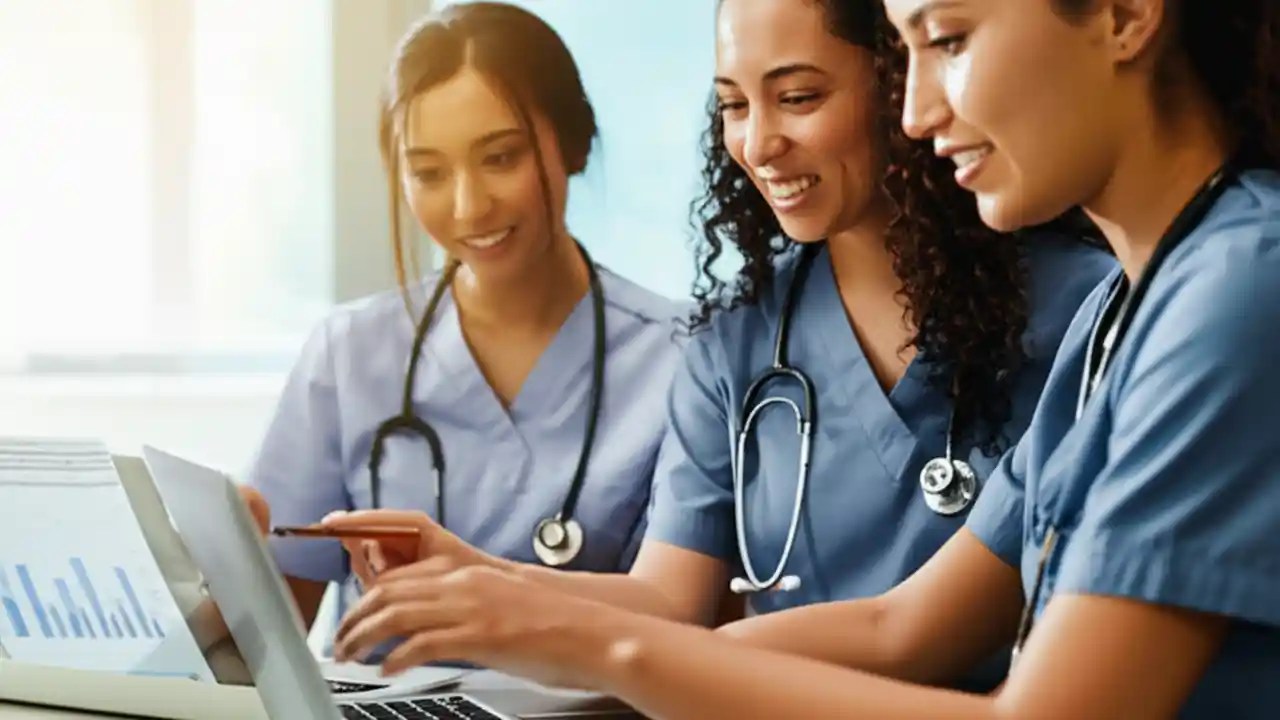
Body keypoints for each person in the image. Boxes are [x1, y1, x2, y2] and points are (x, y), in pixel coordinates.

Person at [328, 0, 1280, 717]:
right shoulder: (1124, 314)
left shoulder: (1239, 288)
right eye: (906, 50)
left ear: (1124, 15)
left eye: (947, 38)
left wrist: (607, 653)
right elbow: (900, 627)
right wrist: (522, 606)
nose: (915, 110)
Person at [239, 1, 685, 633]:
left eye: (501, 158)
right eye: (428, 172)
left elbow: (688, 619)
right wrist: (209, 564)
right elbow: (261, 636)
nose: (469, 206)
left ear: (575, 144)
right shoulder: (349, 354)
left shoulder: (682, 358)